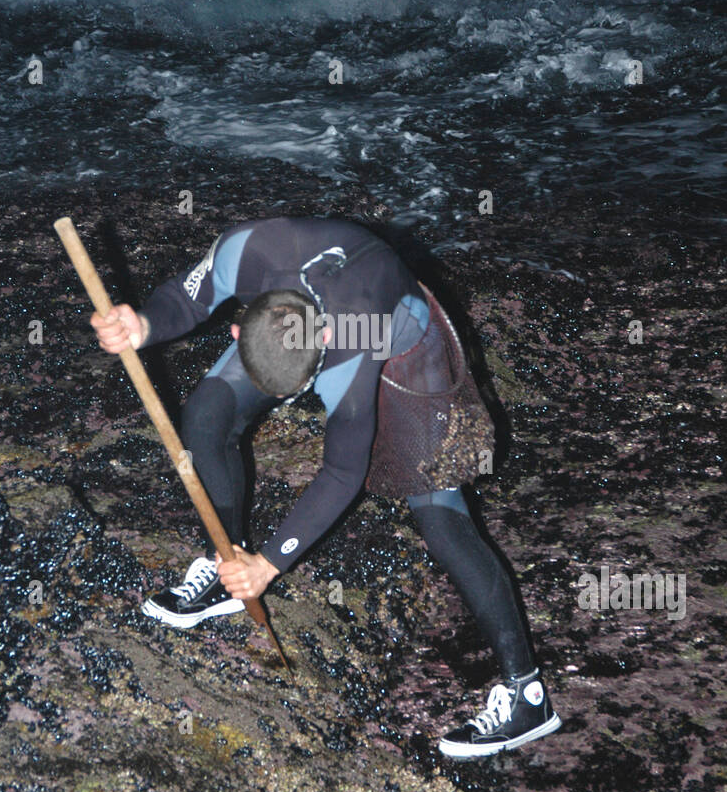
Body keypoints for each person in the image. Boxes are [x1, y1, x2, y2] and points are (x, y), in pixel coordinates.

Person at [90, 216, 561, 758]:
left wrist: (269, 565)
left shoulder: (353, 350)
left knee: (441, 520)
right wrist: (142, 325)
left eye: (304, 388)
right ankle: (225, 565)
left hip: (403, 337)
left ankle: (529, 698)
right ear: (240, 328)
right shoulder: (243, 251)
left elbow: (342, 474)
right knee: (208, 415)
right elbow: (187, 299)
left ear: (323, 348)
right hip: (303, 319)